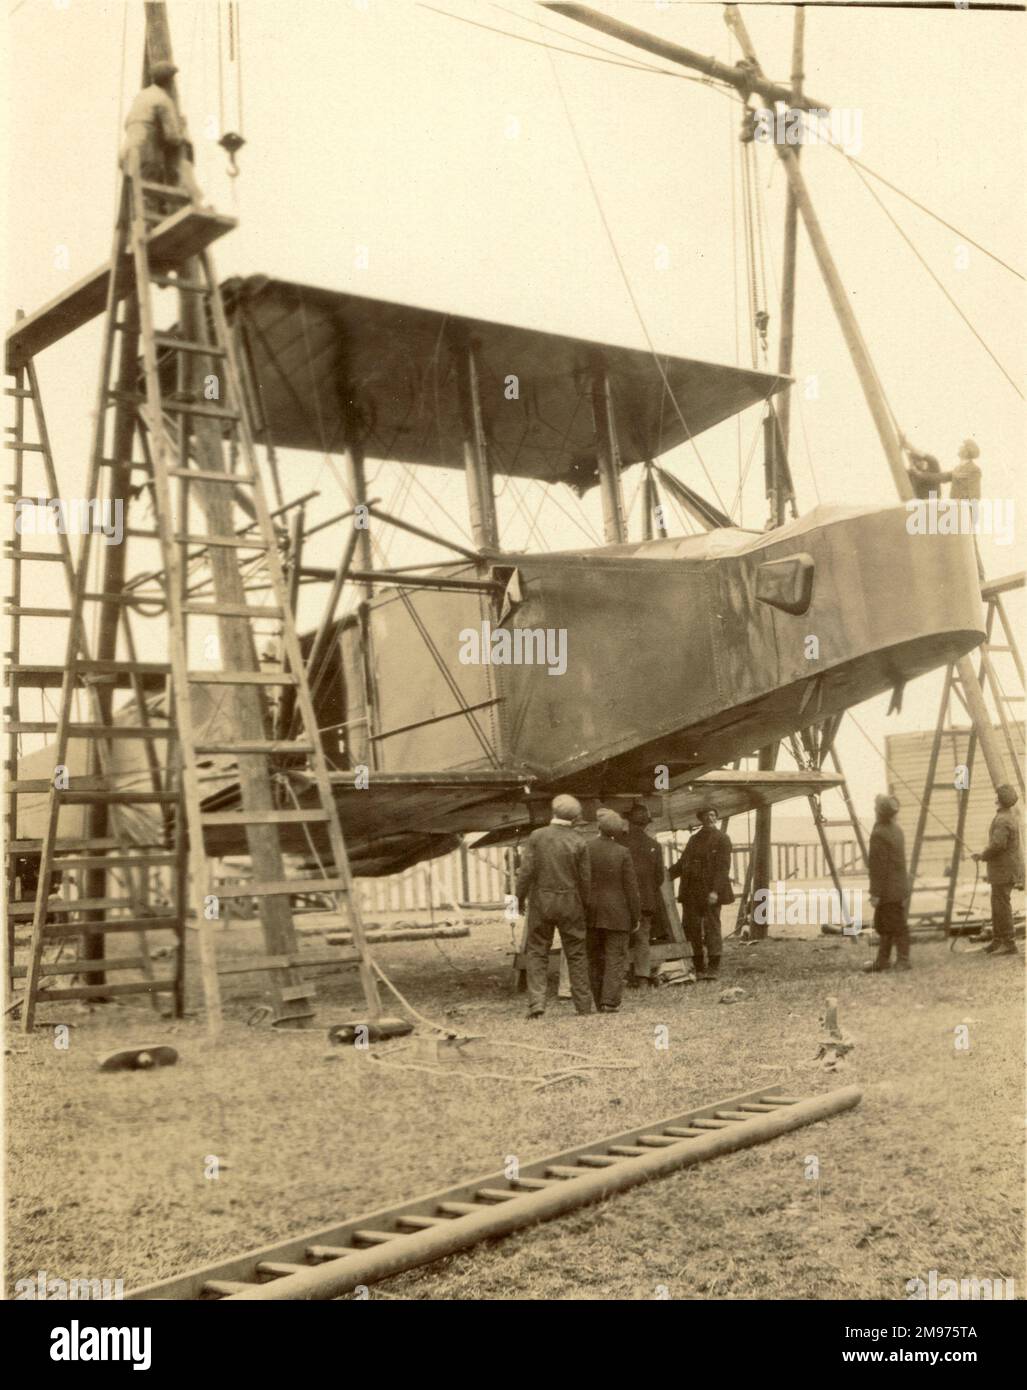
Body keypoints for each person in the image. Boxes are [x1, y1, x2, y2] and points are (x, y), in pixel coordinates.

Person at [516, 794, 591, 1018]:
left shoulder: (537, 836)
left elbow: (525, 872)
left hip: (542, 902)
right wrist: (584, 906)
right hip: (571, 903)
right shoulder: (579, 841)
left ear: (553, 812)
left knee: (537, 951)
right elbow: (585, 880)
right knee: (576, 953)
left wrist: (518, 899)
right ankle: (583, 1006)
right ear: (575, 817)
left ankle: (537, 1004)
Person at [120, 60, 204, 204]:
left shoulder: (141, 96)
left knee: (136, 196)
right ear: (170, 81)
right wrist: (182, 129)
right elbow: (173, 137)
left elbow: (128, 122)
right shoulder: (164, 100)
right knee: (149, 198)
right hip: (144, 154)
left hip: (126, 153)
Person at [584, 809, 640, 1013]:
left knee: (594, 956)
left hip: (591, 912)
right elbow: (631, 888)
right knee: (615, 956)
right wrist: (636, 916)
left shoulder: (586, 848)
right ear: (617, 831)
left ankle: (599, 1000)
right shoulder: (623, 852)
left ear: (598, 827)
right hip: (618, 913)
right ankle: (610, 1001)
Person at [670, 805, 733, 980]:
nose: (710, 819)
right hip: (692, 892)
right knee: (692, 928)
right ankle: (698, 966)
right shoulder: (694, 839)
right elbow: (683, 863)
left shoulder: (722, 839)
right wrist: (665, 875)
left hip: (711, 892)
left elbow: (723, 868)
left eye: (713, 815)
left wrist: (715, 891)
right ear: (701, 819)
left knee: (712, 927)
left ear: (716, 818)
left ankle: (713, 966)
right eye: (706, 816)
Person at [972, 783, 1023, 957]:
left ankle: (1008, 943)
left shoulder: (1003, 820)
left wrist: (982, 855)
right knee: (997, 904)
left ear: (999, 799)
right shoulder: (1007, 816)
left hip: (1003, 871)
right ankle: (998, 940)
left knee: (1002, 905)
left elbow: (998, 845)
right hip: (1003, 870)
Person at [865, 793, 910, 972]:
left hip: (887, 890)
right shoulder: (896, 830)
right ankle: (883, 960)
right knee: (887, 925)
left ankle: (902, 960)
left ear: (879, 812)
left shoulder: (878, 834)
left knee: (895, 926)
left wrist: (875, 893)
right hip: (899, 887)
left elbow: (878, 868)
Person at [624, 800, 665, 988]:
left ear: (629, 822)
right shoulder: (654, 846)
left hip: (623, 901)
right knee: (642, 939)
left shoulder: (620, 843)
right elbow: (659, 878)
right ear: (647, 823)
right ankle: (642, 978)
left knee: (620, 939)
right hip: (646, 901)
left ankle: (621, 975)